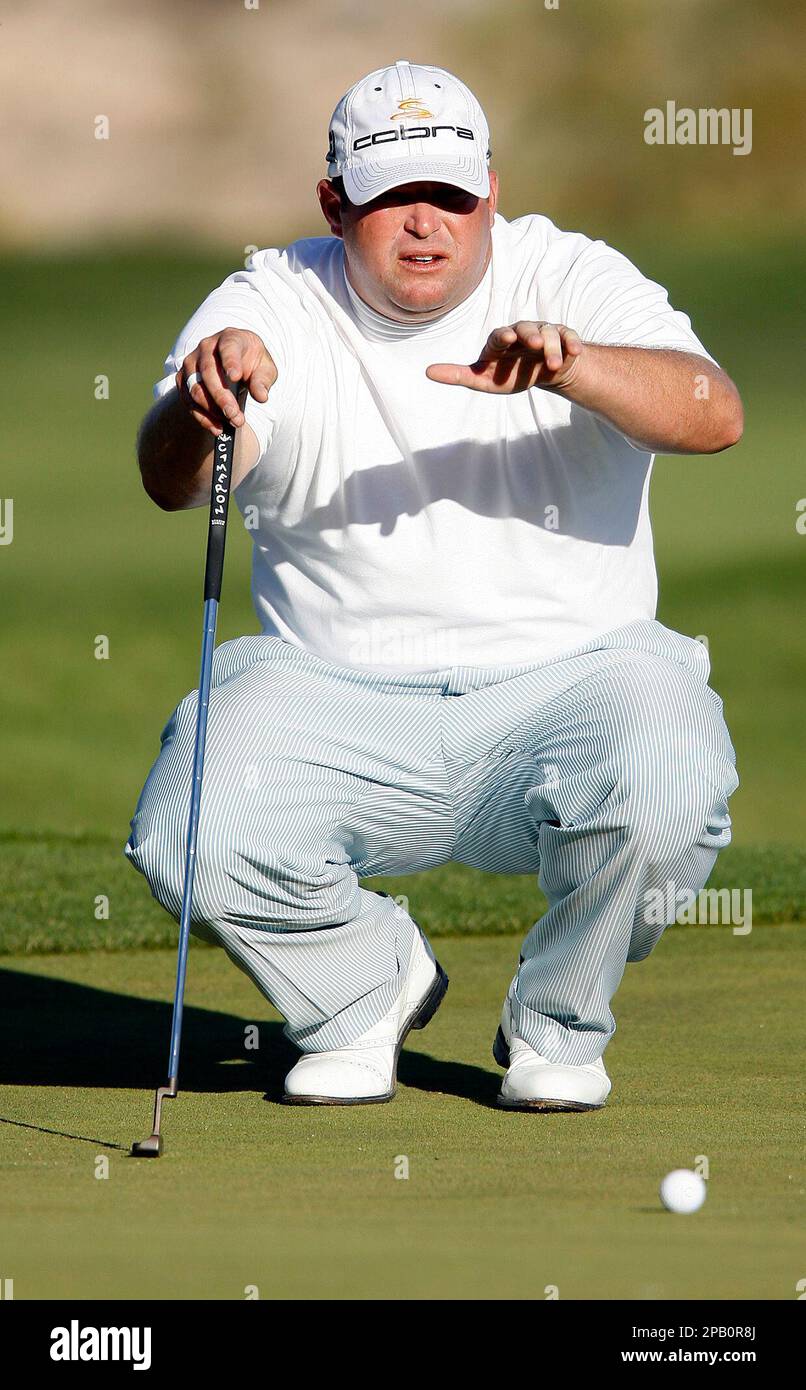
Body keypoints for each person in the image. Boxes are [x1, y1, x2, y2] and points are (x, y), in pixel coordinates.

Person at [127, 59, 741, 1112]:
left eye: (451, 196)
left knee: (671, 778)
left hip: (571, 686)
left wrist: (573, 366)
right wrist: (201, 403)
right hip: (336, 695)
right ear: (334, 203)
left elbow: (710, 411)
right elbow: (167, 482)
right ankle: (362, 987)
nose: (425, 224)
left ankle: (555, 1024)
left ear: (489, 191)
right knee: (191, 828)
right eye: (391, 199)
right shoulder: (268, 298)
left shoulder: (572, 273)